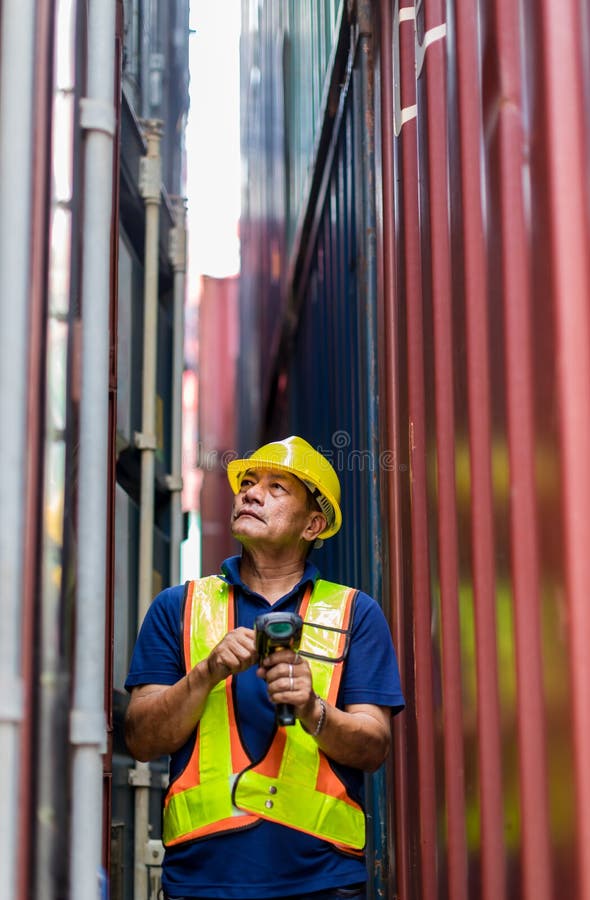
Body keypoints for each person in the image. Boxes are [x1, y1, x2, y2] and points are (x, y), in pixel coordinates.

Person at [125, 436, 405, 900]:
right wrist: (206, 672)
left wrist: (313, 709)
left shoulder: (356, 613)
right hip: (200, 882)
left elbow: (374, 746)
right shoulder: (177, 607)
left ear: (313, 524)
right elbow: (139, 739)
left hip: (324, 883)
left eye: (277, 488)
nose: (251, 493)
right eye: (249, 482)